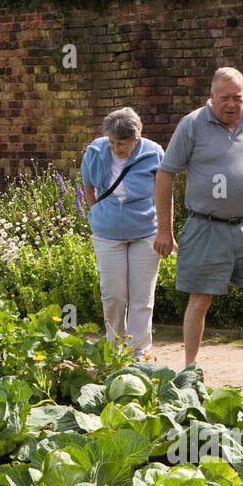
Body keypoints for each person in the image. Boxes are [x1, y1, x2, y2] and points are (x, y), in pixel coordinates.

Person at [153, 66, 243, 388]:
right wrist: (165, 229)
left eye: (238, 98)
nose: (232, 104)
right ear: (212, 96)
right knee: (200, 299)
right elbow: (165, 175)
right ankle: (190, 371)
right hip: (206, 226)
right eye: (225, 98)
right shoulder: (192, 125)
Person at [81, 108, 165, 360]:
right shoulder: (95, 151)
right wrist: (96, 213)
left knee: (142, 295)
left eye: (123, 144)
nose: (116, 148)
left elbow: (164, 193)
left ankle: (139, 350)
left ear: (136, 140)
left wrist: (165, 230)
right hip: (107, 233)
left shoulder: (154, 153)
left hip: (145, 232)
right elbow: (88, 186)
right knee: (113, 294)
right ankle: (114, 347)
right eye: (113, 142)